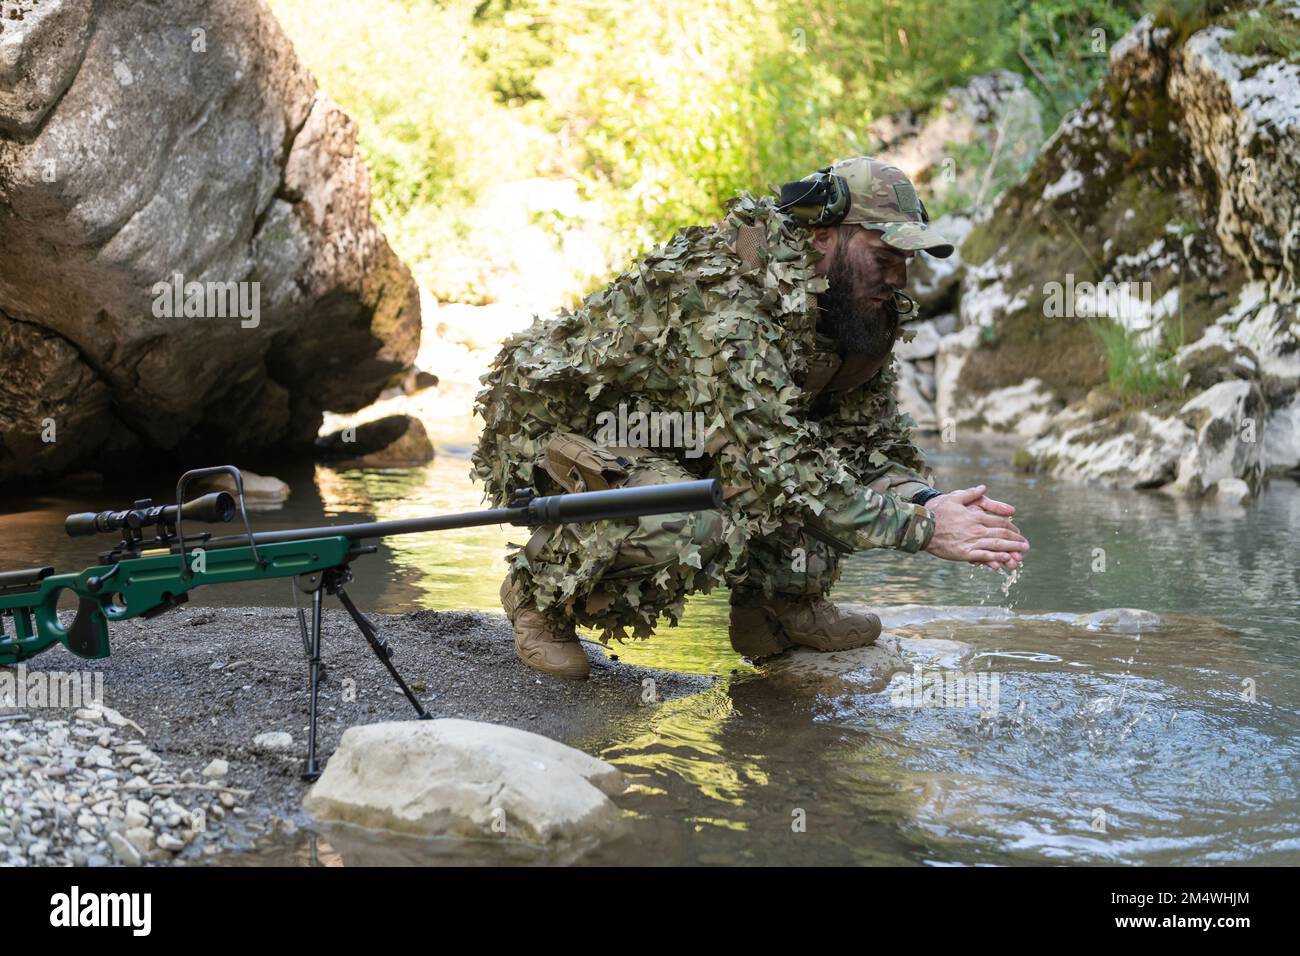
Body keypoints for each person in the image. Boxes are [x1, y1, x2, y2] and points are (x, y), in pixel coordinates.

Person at [473, 157, 1029, 679]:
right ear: (823, 236)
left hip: (688, 430)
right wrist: (924, 531)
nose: (899, 280)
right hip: (574, 430)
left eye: (906, 263)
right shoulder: (730, 302)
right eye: (885, 259)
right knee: (700, 516)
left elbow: (866, 444)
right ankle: (540, 596)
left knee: (814, 457)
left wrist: (929, 502)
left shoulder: (851, 308)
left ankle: (780, 607)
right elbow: (775, 468)